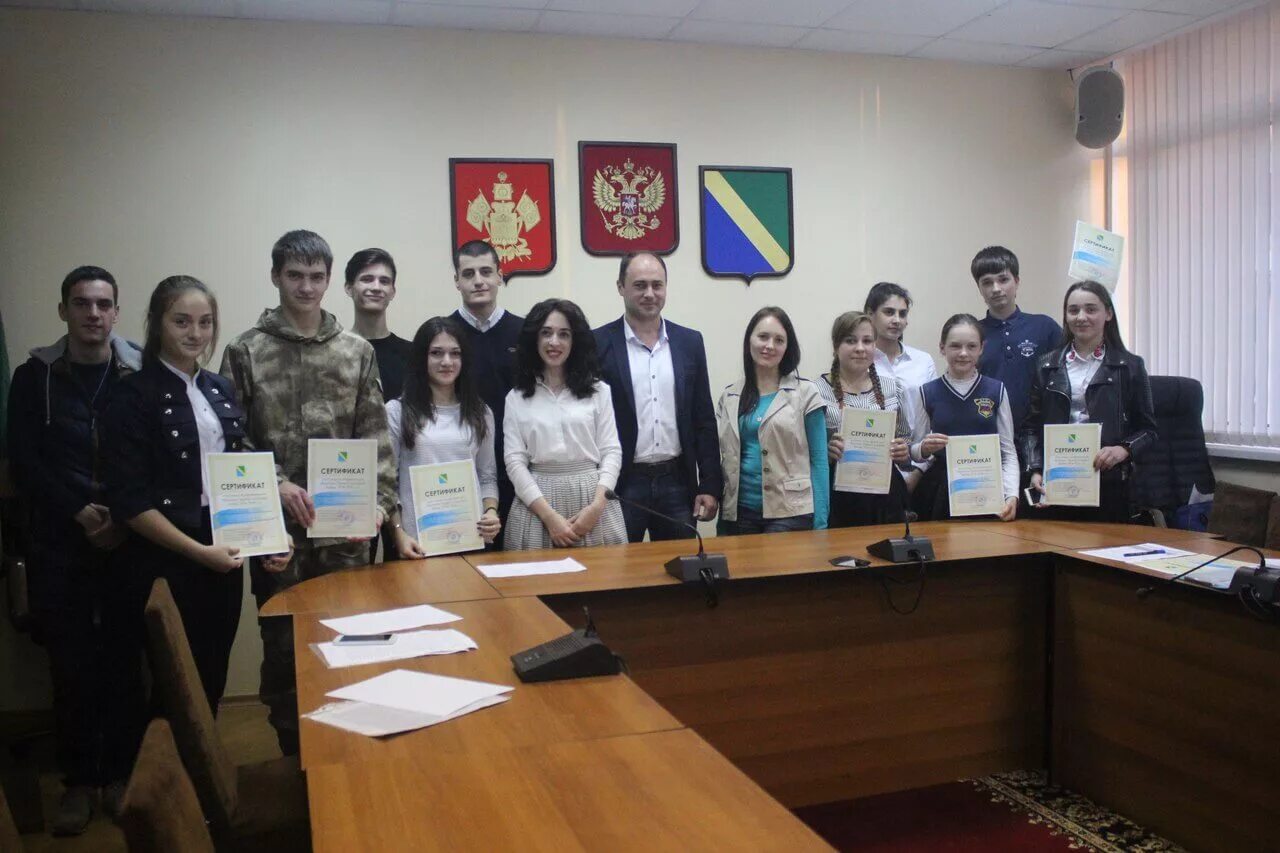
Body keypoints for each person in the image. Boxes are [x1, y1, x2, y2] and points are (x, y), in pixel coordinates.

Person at [220, 229, 396, 755]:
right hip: (277, 533)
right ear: (276, 277)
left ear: (329, 280)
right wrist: (275, 486)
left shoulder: (356, 352)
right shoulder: (245, 351)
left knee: (350, 641)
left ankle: (348, 750)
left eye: (317, 276)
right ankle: (295, 756)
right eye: (295, 276)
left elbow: (376, 437)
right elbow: (230, 440)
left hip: (345, 533)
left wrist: (381, 508)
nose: (306, 286)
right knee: (284, 648)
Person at [104, 276, 292, 716]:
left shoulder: (217, 388)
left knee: (210, 673)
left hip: (221, 547)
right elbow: (129, 501)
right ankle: (166, 781)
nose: (196, 333)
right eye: (182, 321)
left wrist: (267, 537)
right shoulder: (131, 397)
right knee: (173, 681)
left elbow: (238, 472)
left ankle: (201, 778)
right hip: (165, 553)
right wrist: (197, 552)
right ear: (156, 323)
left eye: (205, 323)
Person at [6, 266, 142, 833]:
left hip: (127, 537)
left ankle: (120, 775)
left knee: (124, 661)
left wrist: (122, 516)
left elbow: (146, 454)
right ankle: (79, 781)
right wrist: (78, 511)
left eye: (103, 304)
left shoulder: (137, 373)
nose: (93, 314)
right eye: (81, 303)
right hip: (59, 541)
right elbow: (24, 458)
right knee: (71, 665)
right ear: (63, 310)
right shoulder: (34, 376)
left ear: (116, 311)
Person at [594, 252, 721, 542]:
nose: (649, 293)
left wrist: (710, 485)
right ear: (620, 287)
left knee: (682, 573)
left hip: (677, 481)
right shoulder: (597, 343)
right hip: (622, 484)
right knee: (619, 574)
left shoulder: (690, 342)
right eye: (639, 285)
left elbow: (703, 419)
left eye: (657, 285)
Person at [1022, 280, 1157, 522]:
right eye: (1073, 310)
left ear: (1108, 313)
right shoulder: (1046, 365)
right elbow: (1031, 426)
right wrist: (1035, 469)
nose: (1081, 317)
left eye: (1091, 309)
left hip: (1108, 482)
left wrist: (1123, 449)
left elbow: (1149, 431)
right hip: (1057, 482)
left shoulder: (1130, 367)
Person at [502, 298, 627, 550]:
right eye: (546, 333)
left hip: (592, 500)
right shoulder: (516, 398)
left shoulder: (598, 391)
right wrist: (549, 518)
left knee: (602, 582)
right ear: (534, 339)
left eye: (564, 334)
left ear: (575, 341)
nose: (554, 342)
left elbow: (611, 451)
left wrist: (596, 507)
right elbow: (514, 462)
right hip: (537, 504)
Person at [387, 317, 501, 557]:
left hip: (469, 539)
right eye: (436, 353)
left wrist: (491, 512)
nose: (447, 362)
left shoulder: (480, 413)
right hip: (416, 544)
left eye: (455, 353)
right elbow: (388, 483)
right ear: (422, 357)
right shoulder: (397, 411)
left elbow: (487, 475)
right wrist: (398, 534)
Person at [717, 307, 829, 534]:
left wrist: (821, 521)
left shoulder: (806, 393)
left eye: (779, 340)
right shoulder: (730, 396)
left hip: (791, 513)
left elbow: (819, 460)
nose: (769, 346)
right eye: (763, 337)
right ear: (749, 341)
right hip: (739, 512)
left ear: (787, 348)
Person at [904, 315, 1019, 522]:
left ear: (981, 348)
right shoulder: (927, 392)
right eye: (955, 346)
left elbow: (1008, 451)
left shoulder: (996, 390)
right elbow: (914, 451)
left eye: (971, 346)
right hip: (940, 492)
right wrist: (924, 448)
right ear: (942, 348)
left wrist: (1012, 494)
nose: (963, 353)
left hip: (987, 490)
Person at [449, 240, 523, 542]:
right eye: (468, 274)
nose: (478, 281)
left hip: (517, 470)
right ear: (457, 281)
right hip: (458, 473)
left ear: (500, 276)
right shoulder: (443, 335)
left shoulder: (526, 333)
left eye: (485, 272)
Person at [818, 311, 914, 527]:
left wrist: (903, 450)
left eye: (867, 341)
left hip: (886, 496)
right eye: (850, 341)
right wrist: (827, 452)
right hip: (838, 497)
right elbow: (806, 453)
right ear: (836, 346)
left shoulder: (893, 388)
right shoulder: (816, 392)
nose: (860, 348)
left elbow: (906, 439)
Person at [971, 246, 1063, 431]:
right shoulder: (973, 333)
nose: (996, 289)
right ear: (979, 289)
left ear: (1017, 281)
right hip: (988, 434)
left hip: (1038, 435)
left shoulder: (1045, 327)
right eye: (987, 282)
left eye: (1003, 279)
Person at [344, 248, 412, 401]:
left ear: (393, 291)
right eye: (367, 279)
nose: (376, 287)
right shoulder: (334, 352)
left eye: (384, 281)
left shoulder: (413, 355)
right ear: (349, 288)